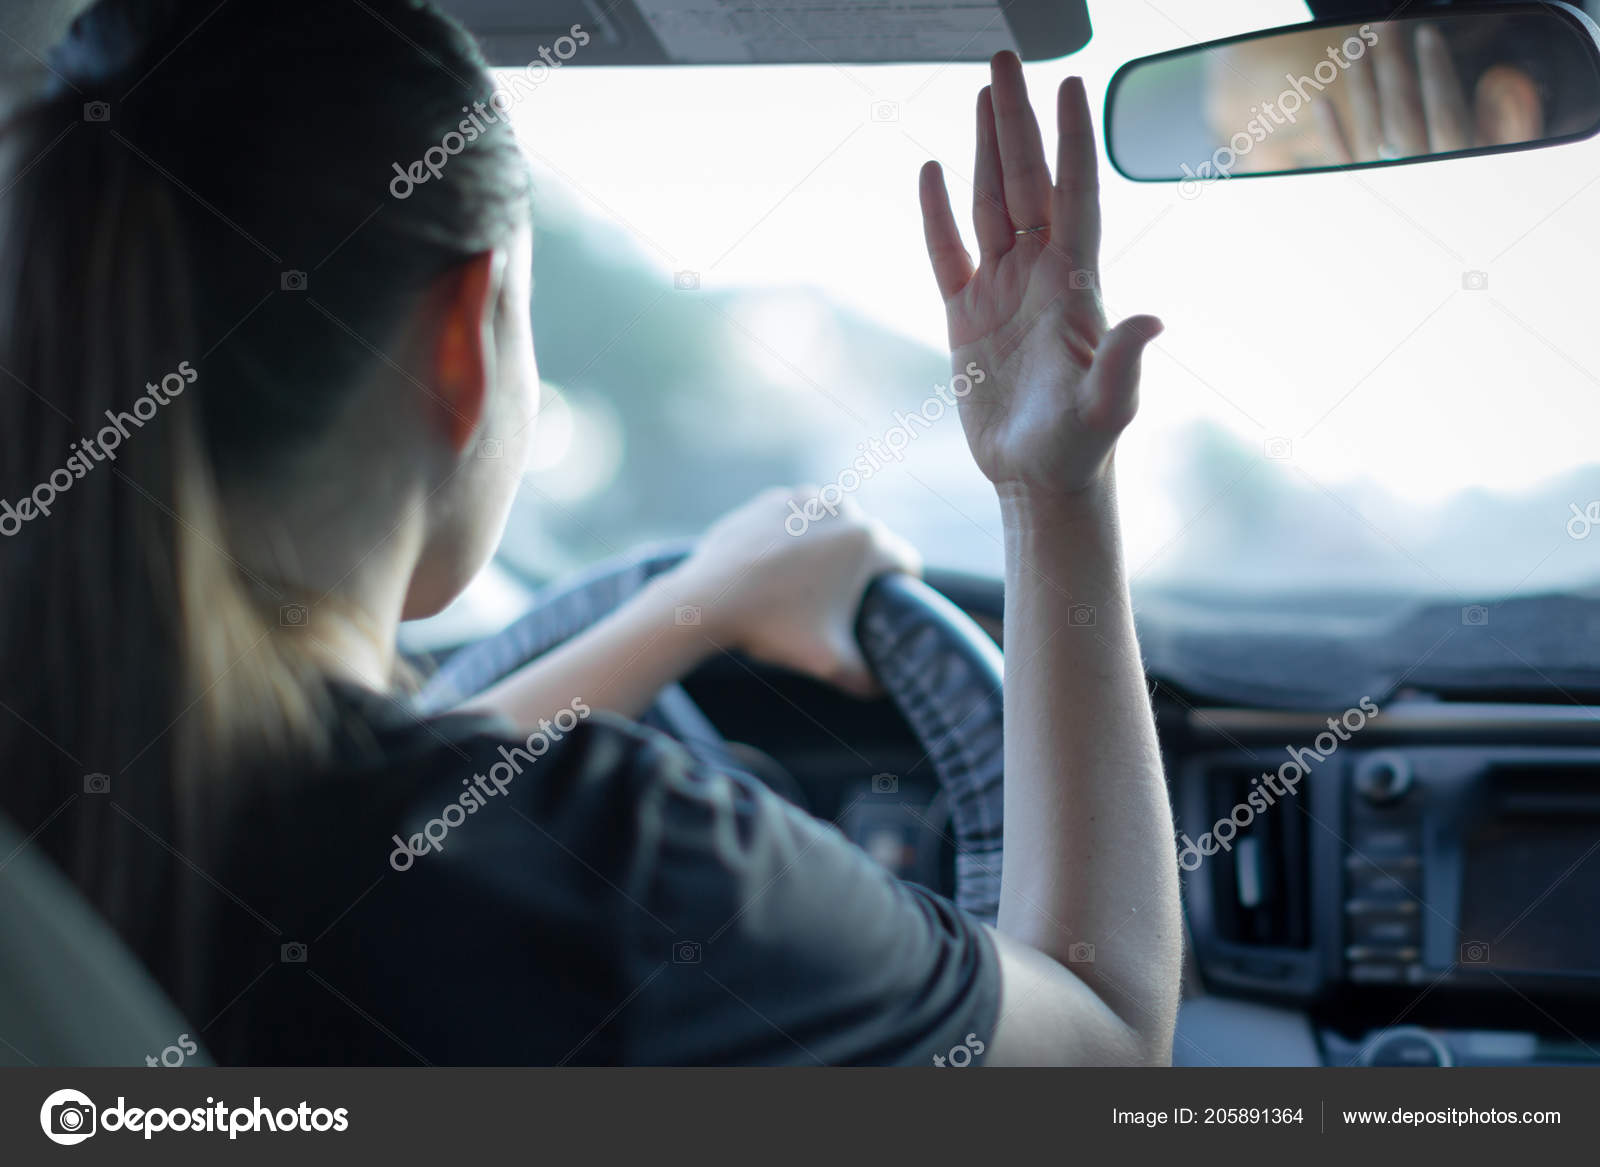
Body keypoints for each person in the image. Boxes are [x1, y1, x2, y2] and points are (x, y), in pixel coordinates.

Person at [0, 0, 1180, 1065]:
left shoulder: (72, 775)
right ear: (467, 334)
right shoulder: (636, 868)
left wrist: (697, 609)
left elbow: (386, 796)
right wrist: (1049, 491)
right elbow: (1104, 1048)